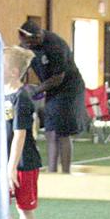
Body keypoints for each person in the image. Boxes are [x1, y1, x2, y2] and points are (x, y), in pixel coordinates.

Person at [20, 22, 86, 173]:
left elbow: (58, 77)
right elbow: (21, 65)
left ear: (39, 37)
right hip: (51, 89)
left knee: (62, 131)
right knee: (50, 131)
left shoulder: (55, 46)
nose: (28, 46)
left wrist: (36, 90)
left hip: (69, 88)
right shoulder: (26, 44)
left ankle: (65, 172)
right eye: (26, 43)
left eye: (31, 42)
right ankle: (52, 171)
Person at [3, 46, 41, 219]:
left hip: (23, 163)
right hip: (4, 163)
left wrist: (11, 167)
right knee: (0, 206)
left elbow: (20, 134)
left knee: (24, 207)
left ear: (15, 72)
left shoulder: (22, 98)